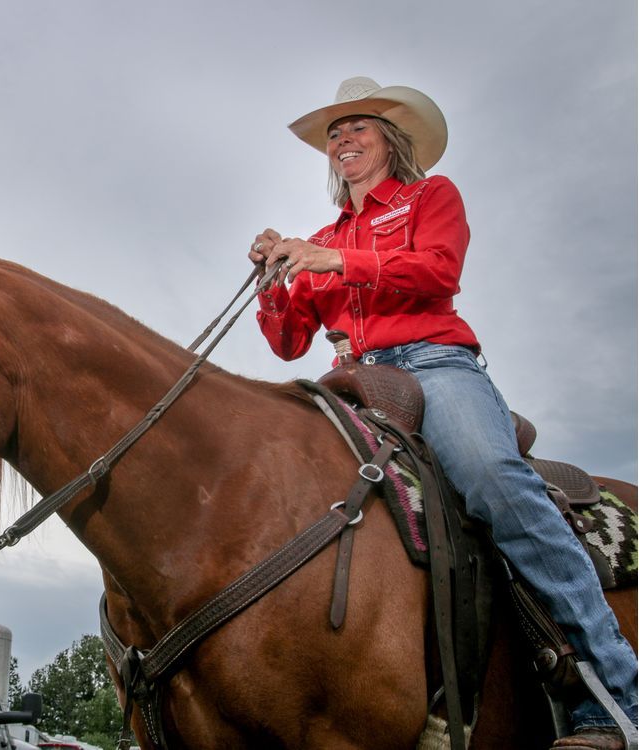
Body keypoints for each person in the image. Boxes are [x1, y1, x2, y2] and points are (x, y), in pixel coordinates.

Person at [248, 77, 638, 750]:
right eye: (335, 133)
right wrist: (272, 283)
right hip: (351, 381)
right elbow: (288, 341)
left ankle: (614, 696)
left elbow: (438, 272)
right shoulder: (319, 239)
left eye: (357, 127)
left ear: (390, 141)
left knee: (491, 478)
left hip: (434, 365)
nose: (342, 139)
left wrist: (333, 257)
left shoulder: (431, 196)